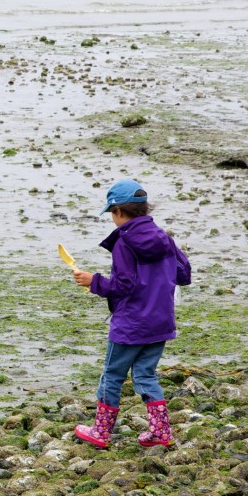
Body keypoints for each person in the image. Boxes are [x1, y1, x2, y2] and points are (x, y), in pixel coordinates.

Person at [71, 178, 191, 449]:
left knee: (112, 375)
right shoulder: (164, 238)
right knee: (146, 375)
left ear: (118, 212)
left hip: (130, 325)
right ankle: (161, 431)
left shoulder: (125, 243)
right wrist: (157, 281)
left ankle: (101, 432)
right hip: (160, 321)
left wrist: (94, 281)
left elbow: (123, 286)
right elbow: (184, 273)